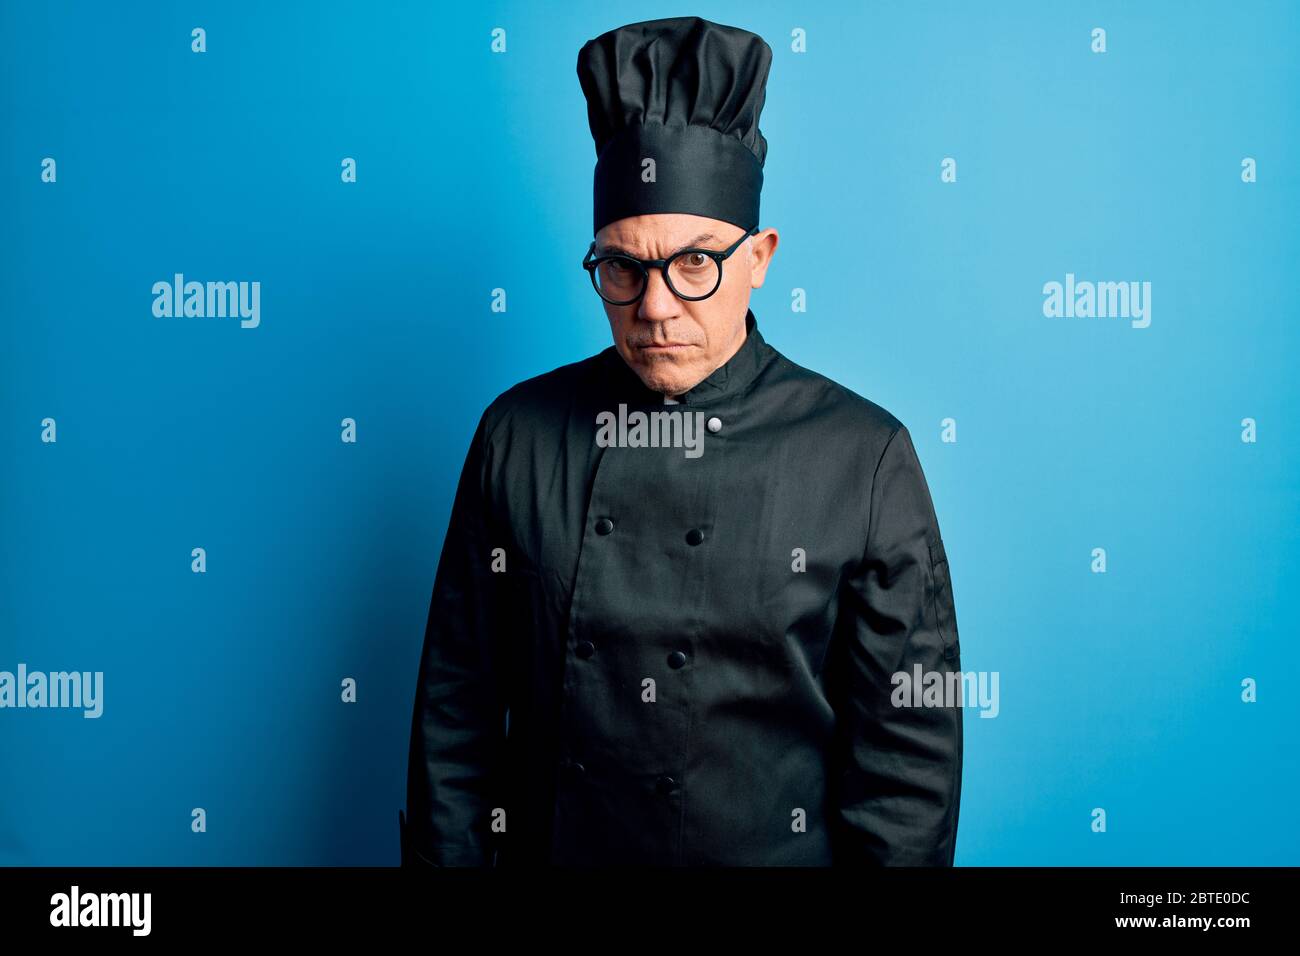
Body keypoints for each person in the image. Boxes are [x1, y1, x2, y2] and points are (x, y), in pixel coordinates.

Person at [402, 14, 962, 866]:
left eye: (693, 264)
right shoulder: (515, 436)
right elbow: (455, 719)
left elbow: (908, 773)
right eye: (622, 267)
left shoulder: (863, 457)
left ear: (760, 256)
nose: (655, 307)